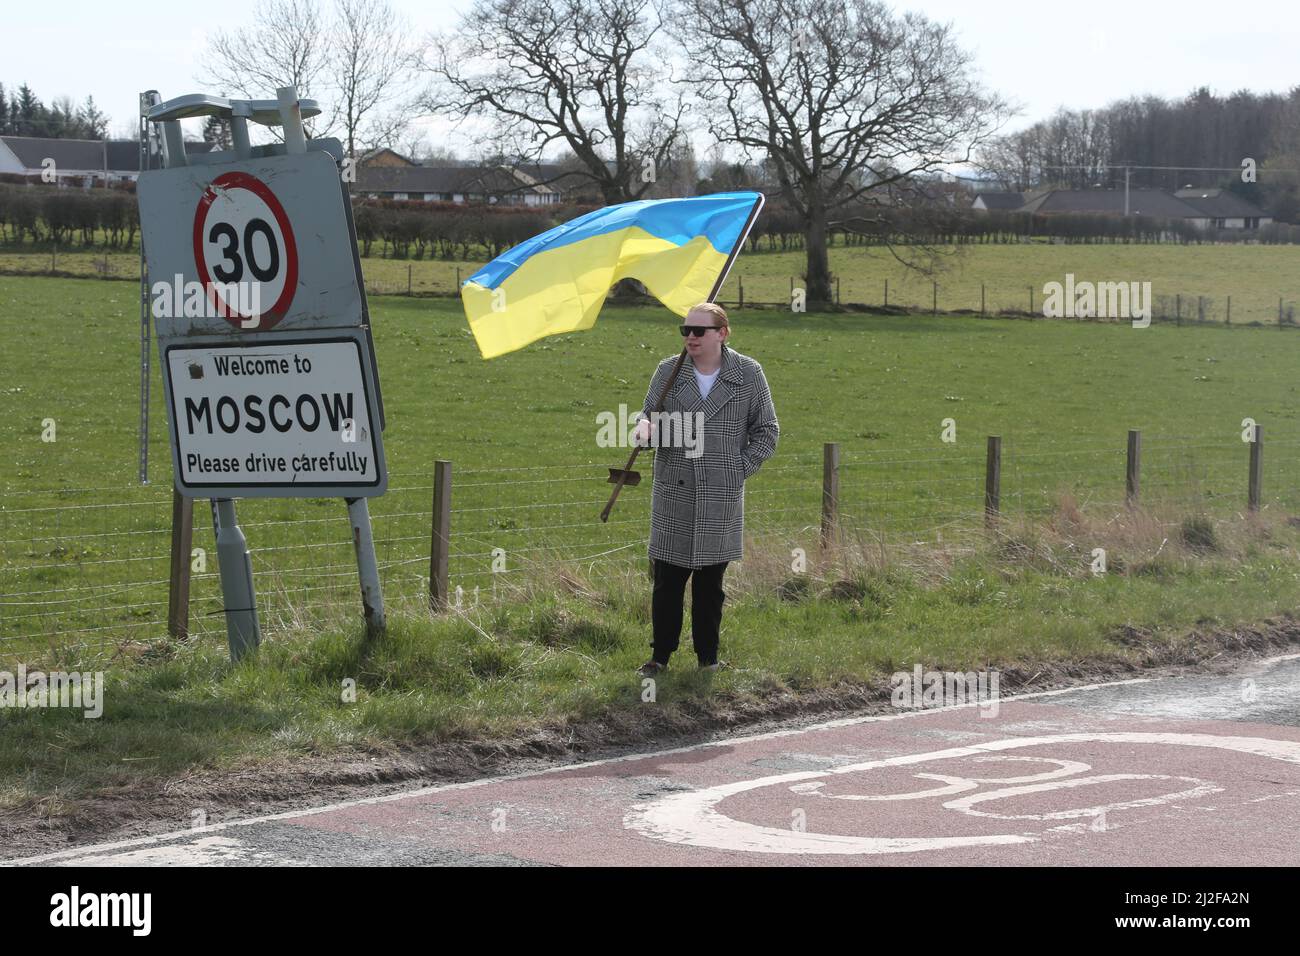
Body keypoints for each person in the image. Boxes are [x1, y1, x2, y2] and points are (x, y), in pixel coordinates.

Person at [631, 302, 778, 676]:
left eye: (699, 331)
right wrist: (643, 428)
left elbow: (767, 431)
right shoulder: (669, 370)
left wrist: (738, 469)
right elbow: (649, 417)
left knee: (710, 585)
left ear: (722, 333)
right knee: (667, 582)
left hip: (720, 494)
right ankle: (659, 657)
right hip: (674, 491)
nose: (690, 338)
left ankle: (707, 660)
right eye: (685, 331)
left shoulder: (748, 374)